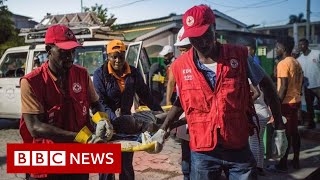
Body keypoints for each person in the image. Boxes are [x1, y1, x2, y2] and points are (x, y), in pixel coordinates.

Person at [151, 5, 288, 180]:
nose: (201, 42)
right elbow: (182, 101)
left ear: (214, 28)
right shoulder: (180, 66)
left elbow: (267, 86)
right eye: (194, 38)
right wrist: (163, 129)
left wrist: (279, 128)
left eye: (205, 35)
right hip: (203, 151)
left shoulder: (238, 57)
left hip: (237, 146)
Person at [19, 24, 112, 180]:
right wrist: (84, 138)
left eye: (72, 51)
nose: (70, 56)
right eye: (63, 52)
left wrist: (101, 119)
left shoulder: (81, 74)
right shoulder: (31, 82)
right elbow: (35, 127)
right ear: (48, 50)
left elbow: (95, 104)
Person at [93, 39, 163, 180]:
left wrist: (160, 112)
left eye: (121, 56)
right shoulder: (100, 74)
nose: (118, 60)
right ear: (108, 56)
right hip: (106, 124)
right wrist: (114, 121)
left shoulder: (133, 72)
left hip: (126, 125)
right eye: (114, 56)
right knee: (107, 167)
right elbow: (101, 102)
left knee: (126, 165)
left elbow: (145, 95)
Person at [268, 36, 303, 172]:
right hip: (296, 101)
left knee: (285, 134)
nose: (276, 49)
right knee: (294, 133)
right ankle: (296, 160)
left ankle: (282, 164)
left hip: (286, 103)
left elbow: (283, 87)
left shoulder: (283, 63)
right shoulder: (296, 62)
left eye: (277, 47)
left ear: (283, 48)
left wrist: (276, 105)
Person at [167, 27, 192, 180]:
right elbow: (172, 84)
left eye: (185, 50)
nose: (183, 54)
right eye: (181, 51)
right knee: (186, 150)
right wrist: (169, 103)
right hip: (184, 113)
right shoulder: (178, 65)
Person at [248, 79, 271, 176]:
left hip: (257, 114)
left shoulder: (248, 79)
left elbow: (256, 94)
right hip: (264, 112)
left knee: (254, 141)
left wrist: (247, 102)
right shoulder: (257, 79)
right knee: (259, 140)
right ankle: (259, 167)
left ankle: (253, 169)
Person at [297, 38, 320, 129]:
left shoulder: (317, 53)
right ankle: (311, 123)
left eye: (302, 44)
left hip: (318, 85)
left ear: (307, 45)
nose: (300, 47)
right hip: (307, 87)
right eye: (299, 45)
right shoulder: (299, 59)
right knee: (309, 106)